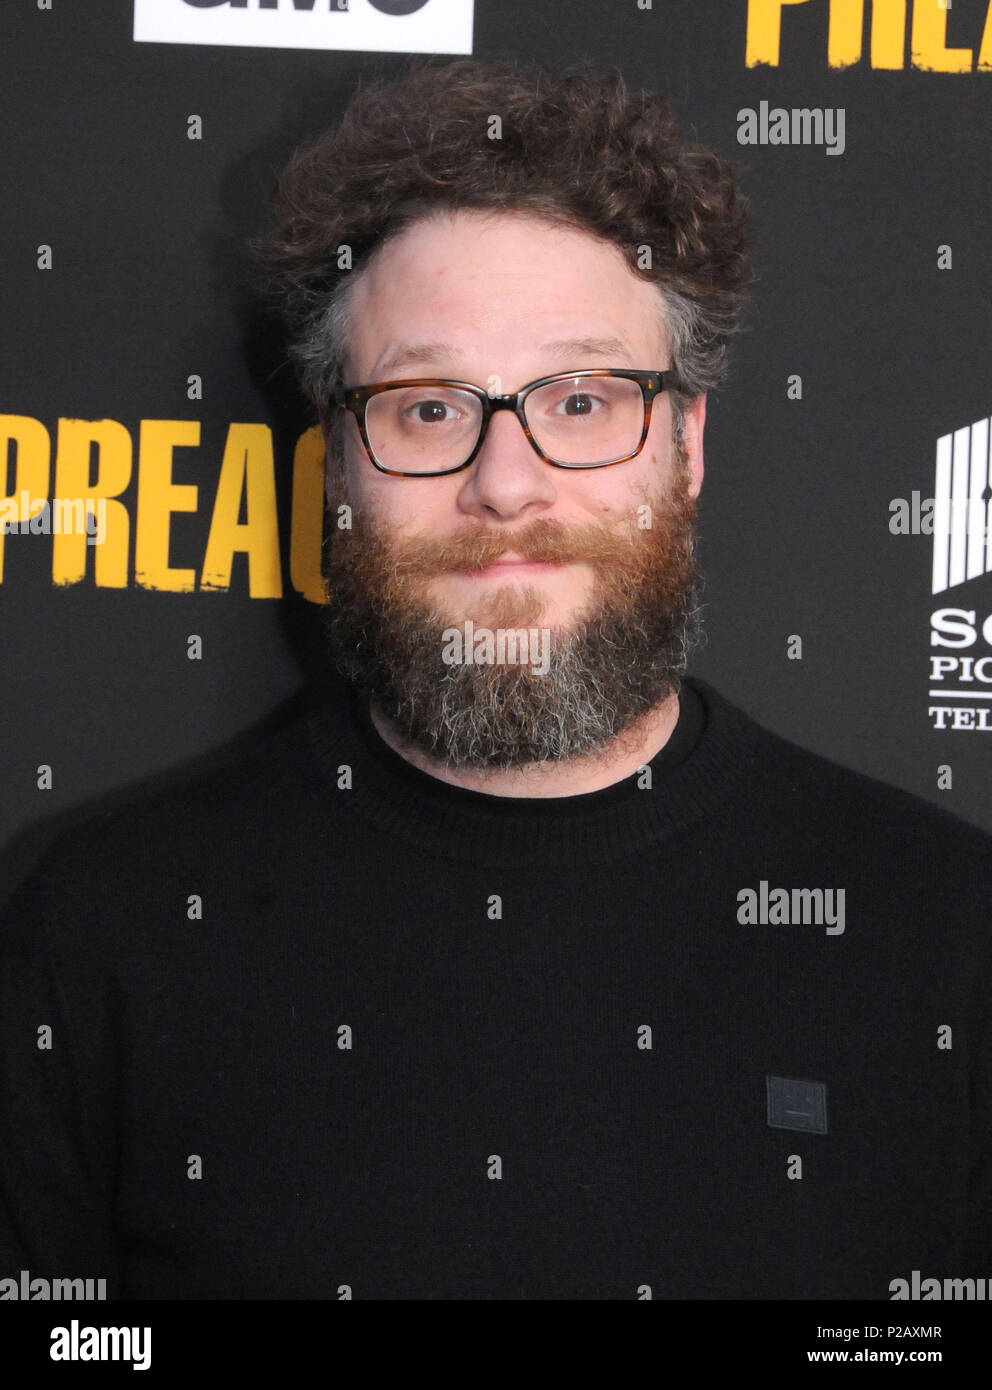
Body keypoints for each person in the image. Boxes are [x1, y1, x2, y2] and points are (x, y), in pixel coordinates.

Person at [1, 57, 990, 1302]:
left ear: (685, 445)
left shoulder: (948, 938)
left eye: (579, 399)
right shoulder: (96, 935)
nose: (505, 483)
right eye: (425, 409)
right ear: (334, 465)